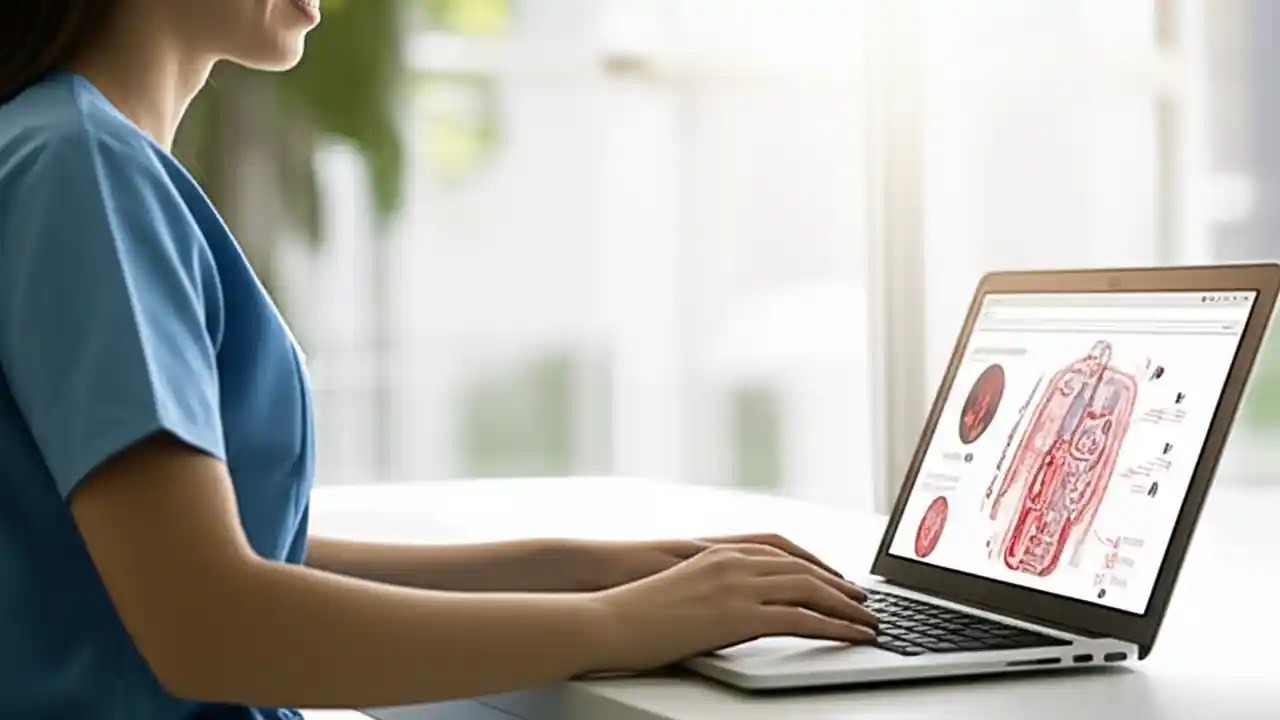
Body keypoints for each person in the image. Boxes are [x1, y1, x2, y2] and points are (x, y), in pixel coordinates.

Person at [0, 1, 878, 718]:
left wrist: (579, 567)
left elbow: (228, 560)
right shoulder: (81, 169)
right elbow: (209, 625)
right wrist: (616, 622)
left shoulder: (67, 150)